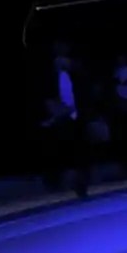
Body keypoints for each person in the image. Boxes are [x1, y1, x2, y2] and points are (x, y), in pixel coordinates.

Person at [35, 42, 89, 197]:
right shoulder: (48, 81)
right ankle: (58, 181)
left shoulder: (76, 78)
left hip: (75, 119)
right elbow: (49, 101)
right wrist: (56, 115)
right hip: (59, 119)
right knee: (61, 145)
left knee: (79, 148)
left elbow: (80, 97)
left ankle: (80, 183)